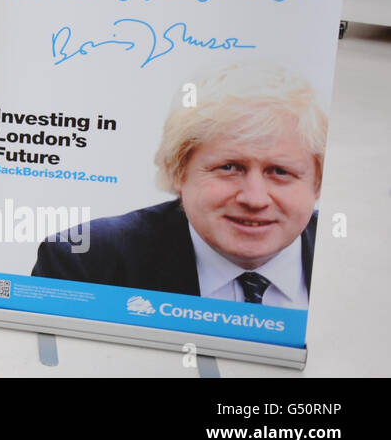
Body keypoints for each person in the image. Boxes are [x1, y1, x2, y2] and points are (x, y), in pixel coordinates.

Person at [32, 63, 323, 308]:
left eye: (280, 172)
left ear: (318, 182)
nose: (255, 199)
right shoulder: (84, 263)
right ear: (178, 170)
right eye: (229, 167)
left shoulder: (357, 272)